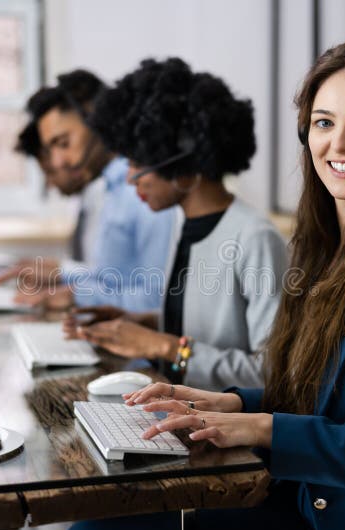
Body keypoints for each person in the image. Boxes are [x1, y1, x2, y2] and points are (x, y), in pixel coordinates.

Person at [69, 39, 345, 530]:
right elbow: (325, 401)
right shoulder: (323, 246)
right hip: (320, 501)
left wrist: (262, 427)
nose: (338, 145)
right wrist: (233, 403)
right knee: (104, 524)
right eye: (324, 122)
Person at [63, 58, 287, 392]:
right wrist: (144, 324)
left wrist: (162, 346)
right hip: (180, 408)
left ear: (185, 164)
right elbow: (211, 330)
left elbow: (271, 375)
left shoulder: (255, 239)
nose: (129, 177)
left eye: (138, 162)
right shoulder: (184, 224)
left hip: (231, 436)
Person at [0, 69, 175, 312]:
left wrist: (78, 295)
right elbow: (113, 279)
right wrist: (64, 277)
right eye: (52, 151)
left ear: (96, 118)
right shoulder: (110, 189)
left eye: (63, 143)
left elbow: (157, 299)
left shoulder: (144, 190)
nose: (58, 162)